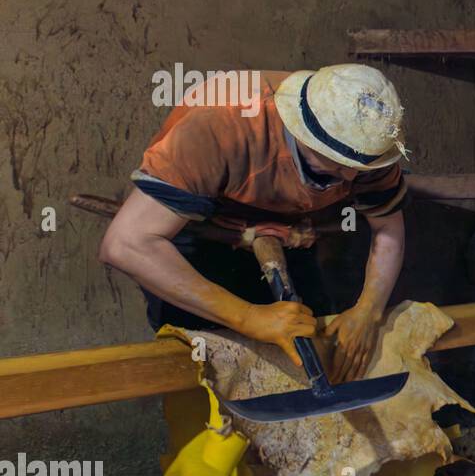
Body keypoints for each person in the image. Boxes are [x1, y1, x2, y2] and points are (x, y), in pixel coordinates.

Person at [100, 64, 408, 383]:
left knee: (306, 341)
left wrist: (369, 311)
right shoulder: (218, 126)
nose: (351, 178)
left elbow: (388, 228)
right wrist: (247, 317)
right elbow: (125, 244)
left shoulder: (368, 143)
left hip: (290, 229)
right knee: (202, 360)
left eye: (359, 167)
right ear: (303, 133)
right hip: (199, 230)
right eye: (338, 166)